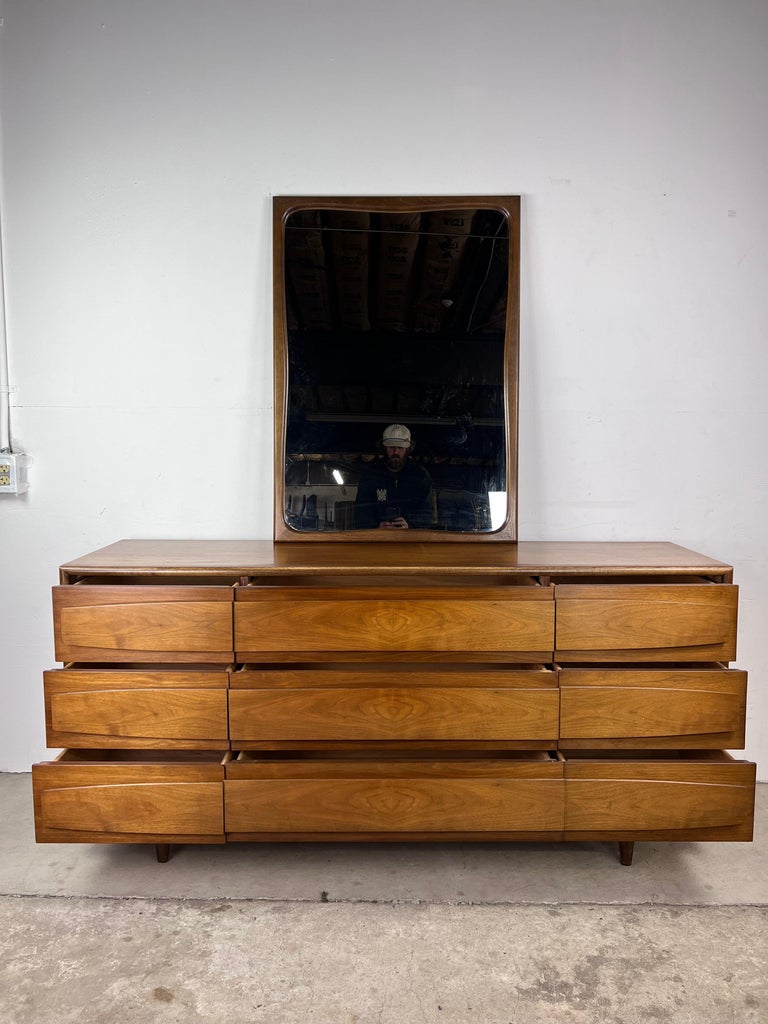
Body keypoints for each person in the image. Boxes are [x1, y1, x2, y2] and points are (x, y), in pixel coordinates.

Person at [354, 424, 434, 530]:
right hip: (377, 541)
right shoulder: (371, 475)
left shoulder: (421, 476)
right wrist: (376, 527)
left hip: (410, 541)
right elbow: (361, 510)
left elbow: (426, 512)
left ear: (408, 448)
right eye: (391, 447)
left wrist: (410, 525)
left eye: (400, 447)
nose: (395, 452)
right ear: (384, 448)